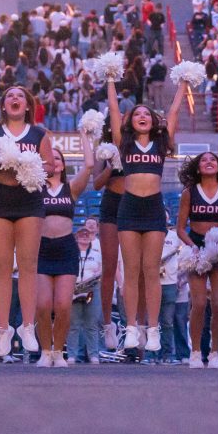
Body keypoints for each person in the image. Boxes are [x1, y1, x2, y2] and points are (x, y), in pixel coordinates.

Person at [108, 75, 191, 354]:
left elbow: (174, 112)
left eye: (147, 113)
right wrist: (110, 79)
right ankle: (131, 327)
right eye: (137, 114)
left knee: (151, 270)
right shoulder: (124, 143)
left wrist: (183, 84)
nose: (142, 116)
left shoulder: (161, 142)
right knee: (131, 271)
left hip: (154, 207)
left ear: (154, 121)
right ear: (129, 121)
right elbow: (114, 111)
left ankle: (153, 329)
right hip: (129, 207)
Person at [0, 84, 55, 357]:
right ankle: (3, 329)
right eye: (10, 95)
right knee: (0, 268)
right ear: (4, 104)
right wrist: (2, 162)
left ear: (28, 105)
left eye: (20, 96)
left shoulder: (39, 133)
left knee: (28, 265)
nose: (15, 99)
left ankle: (28, 326)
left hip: (29, 203)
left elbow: (51, 166)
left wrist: (26, 163)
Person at [34, 139, 94, 367]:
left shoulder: (71, 189)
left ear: (63, 165)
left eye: (58, 158)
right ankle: (45, 351)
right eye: (50, 158)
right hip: (42, 249)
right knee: (42, 306)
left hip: (66, 250)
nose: (54, 161)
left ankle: (58, 351)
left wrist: (84, 135)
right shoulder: (35, 188)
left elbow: (89, 165)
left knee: (62, 305)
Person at [174, 151, 218, 369]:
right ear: (198, 169)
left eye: (213, 160)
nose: (209, 162)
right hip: (196, 246)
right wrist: (193, 248)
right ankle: (196, 352)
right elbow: (180, 228)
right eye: (203, 160)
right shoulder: (189, 193)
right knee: (198, 303)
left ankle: (216, 352)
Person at [92, 123, 125, 354]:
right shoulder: (103, 149)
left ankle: (136, 325)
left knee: (137, 269)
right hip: (112, 204)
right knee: (109, 269)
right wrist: (112, 165)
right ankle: (107, 324)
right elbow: (96, 184)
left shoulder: (137, 145)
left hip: (135, 203)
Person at [67, 222, 103, 364]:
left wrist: (96, 276)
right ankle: (72, 355)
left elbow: (101, 269)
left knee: (92, 323)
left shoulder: (96, 252)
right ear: (76, 237)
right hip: (74, 289)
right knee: (73, 324)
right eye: (81, 234)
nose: (84, 236)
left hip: (91, 289)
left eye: (87, 234)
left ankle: (93, 355)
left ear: (91, 237)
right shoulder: (70, 252)